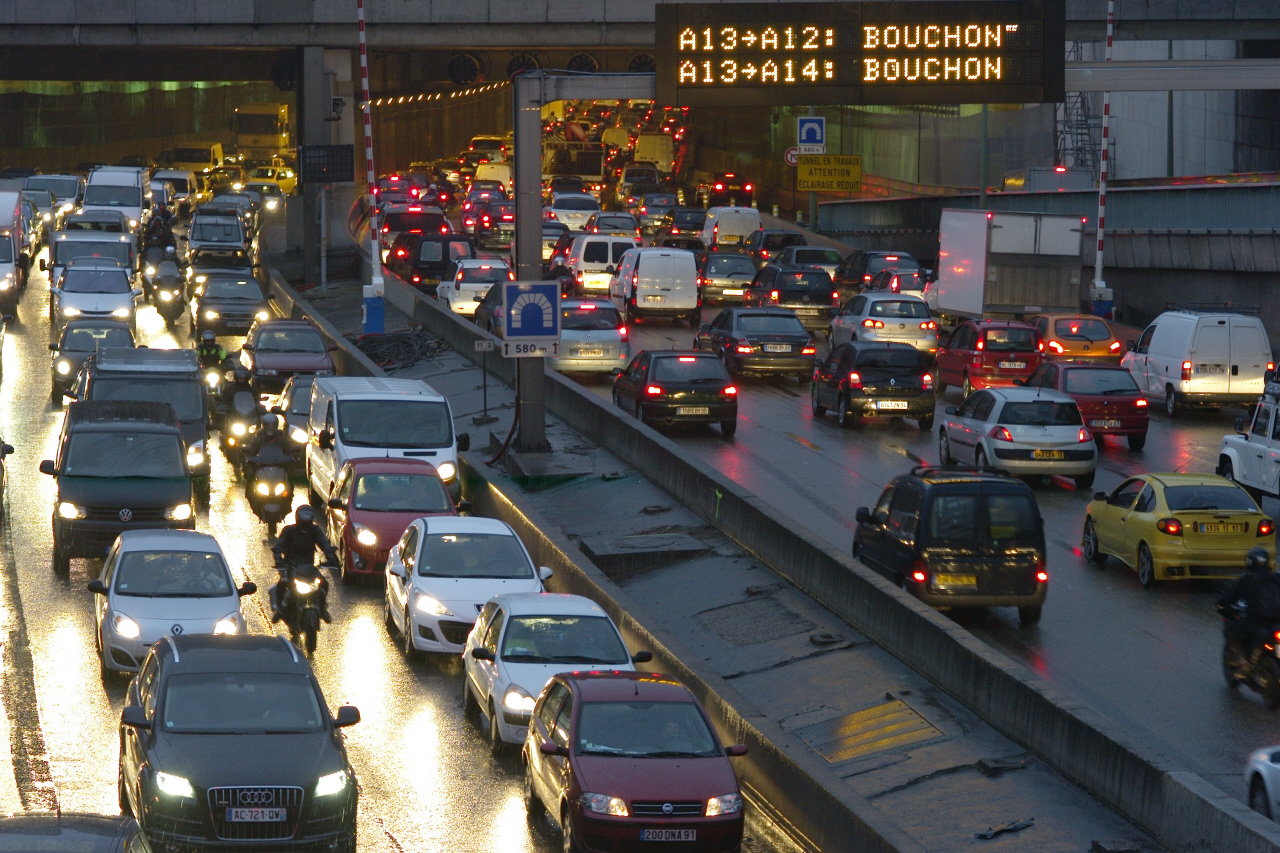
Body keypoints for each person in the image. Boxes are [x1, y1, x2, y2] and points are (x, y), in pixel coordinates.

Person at [270, 505, 338, 624]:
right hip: (291, 567)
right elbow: (280, 544)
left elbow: (323, 542)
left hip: (309, 568)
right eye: (303, 519)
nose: (306, 523)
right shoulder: (288, 530)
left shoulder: (315, 530)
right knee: (281, 585)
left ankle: (322, 610)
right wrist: (278, 558)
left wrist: (330, 555)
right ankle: (280, 611)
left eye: (308, 520)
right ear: (298, 518)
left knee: (324, 584)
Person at [1218, 547, 1280, 675]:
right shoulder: (1277, 578)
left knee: (1230, 629)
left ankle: (1243, 663)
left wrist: (1220, 604)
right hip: (1276, 622)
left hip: (1255, 623)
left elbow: (1229, 598)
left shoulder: (1247, 580)